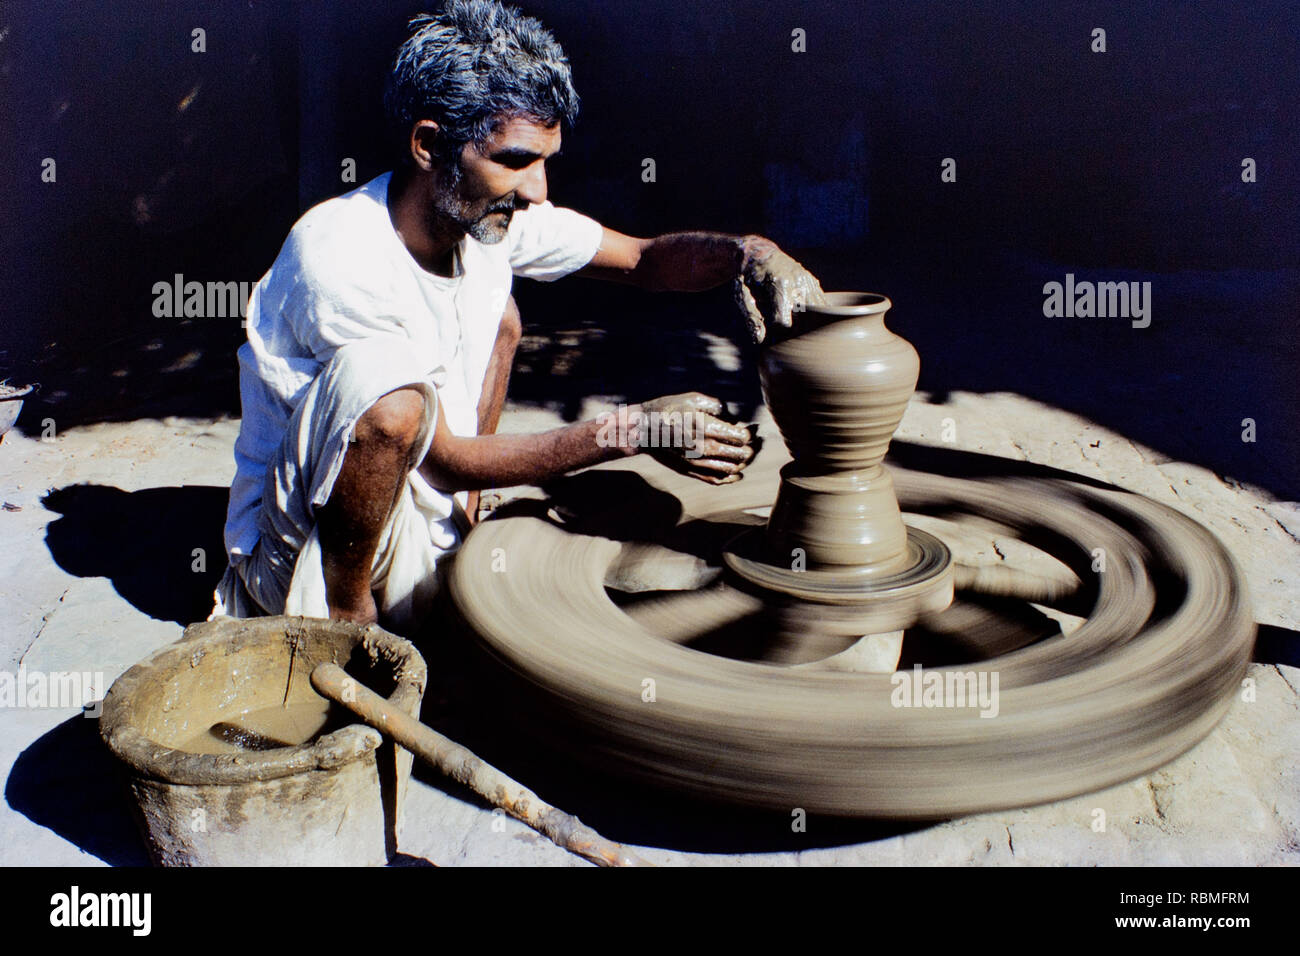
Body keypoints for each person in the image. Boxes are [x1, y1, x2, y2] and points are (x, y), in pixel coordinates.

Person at [213, 0, 825, 633]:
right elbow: (437, 456)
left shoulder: (487, 218)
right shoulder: (337, 254)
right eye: (513, 160)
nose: (536, 188)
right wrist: (636, 430)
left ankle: (461, 533)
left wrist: (748, 253)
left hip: (419, 498)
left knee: (499, 314)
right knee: (393, 402)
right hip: (304, 556)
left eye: (544, 161)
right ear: (428, 145)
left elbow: (645, 261)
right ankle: (347, 629)